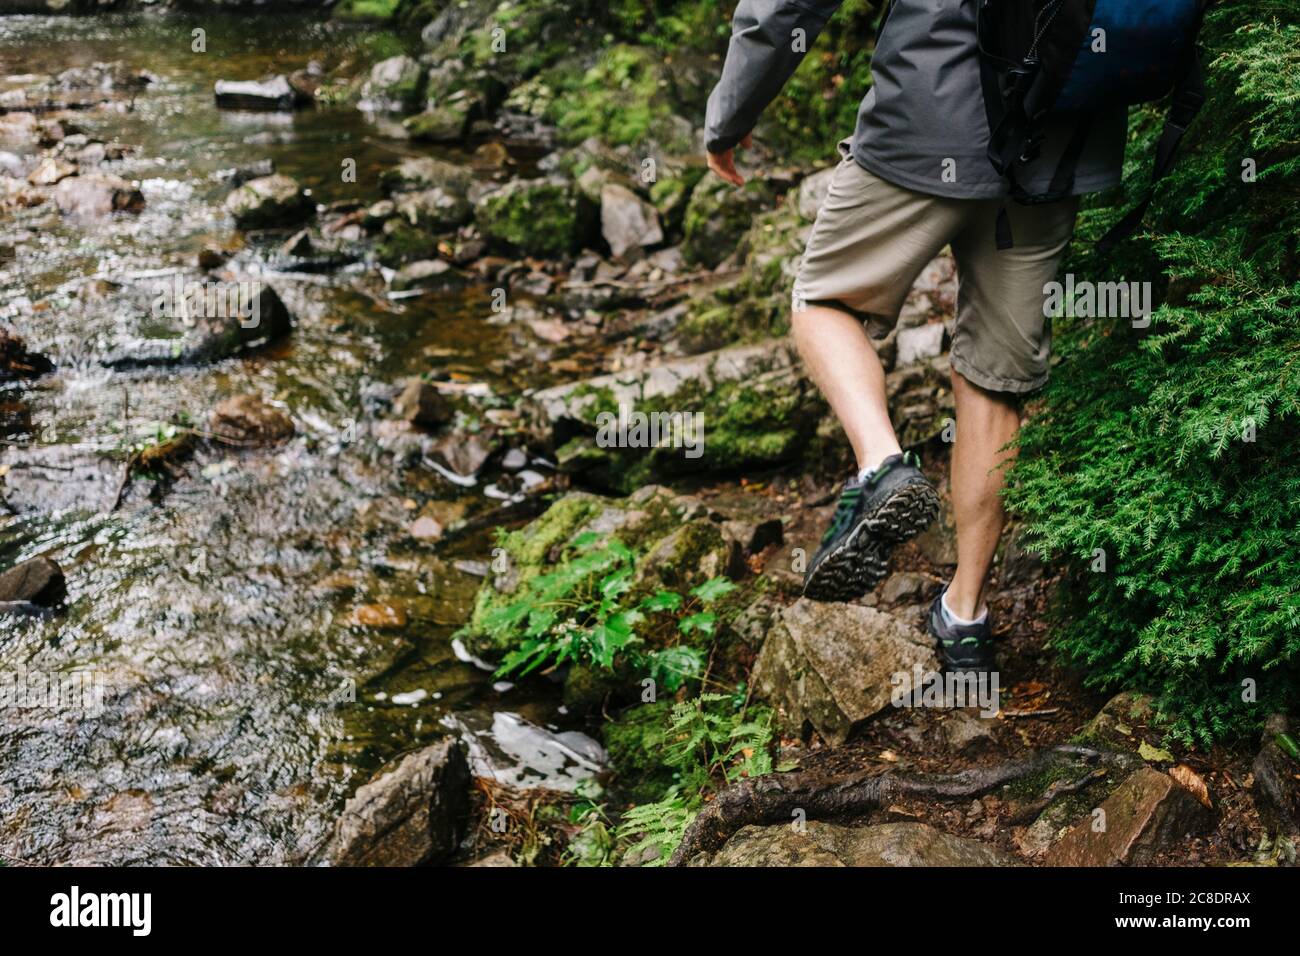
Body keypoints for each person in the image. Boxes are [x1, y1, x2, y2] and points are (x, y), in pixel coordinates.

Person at [704, 0, 1127, 672]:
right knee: (995, 377)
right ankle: (965, 616)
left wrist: (731, 112)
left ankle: (883, 466)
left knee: (823, 300)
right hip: (1064, 131)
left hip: (931, 120)